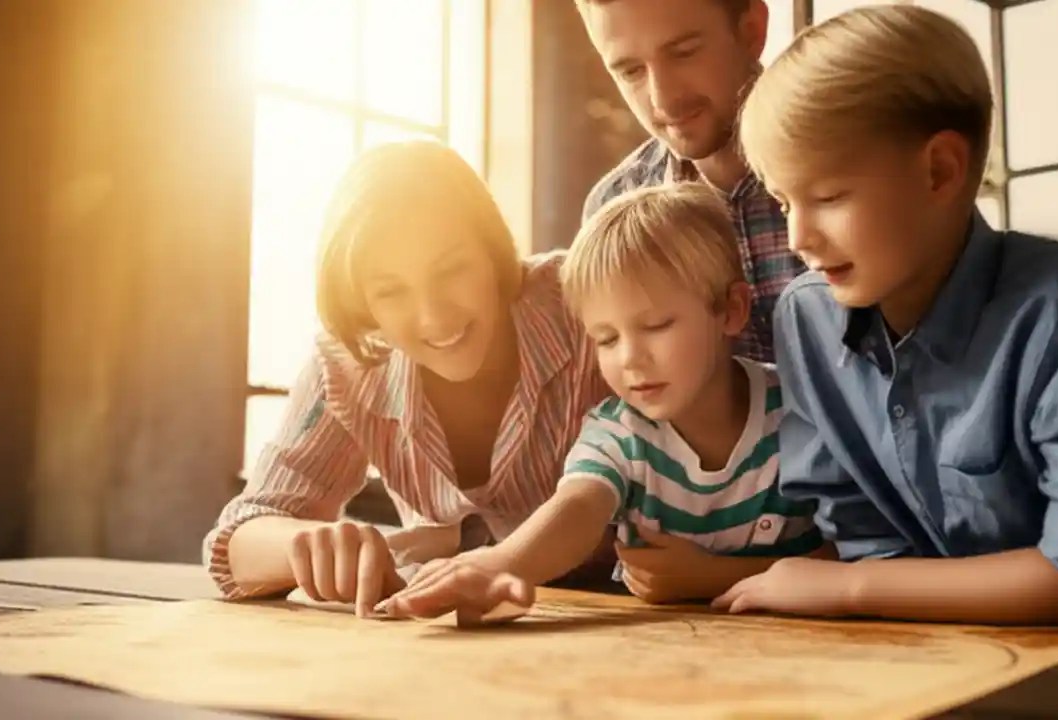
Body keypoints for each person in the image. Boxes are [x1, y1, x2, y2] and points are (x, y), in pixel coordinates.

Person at [713, 5, 1058, 629]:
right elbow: (859, 528)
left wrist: (854, 588)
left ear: (940, 170)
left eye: (828, 197)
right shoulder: (807, 319)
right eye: (785, 200)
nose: (799, 238)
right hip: (948, 649)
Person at [382, 184, 826, 623]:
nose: (630, 358)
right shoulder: (618, 434)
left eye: (655, 325)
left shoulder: (804, 409)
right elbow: (578, 507)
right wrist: (500, 565)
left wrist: (713, 577)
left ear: (731, 310)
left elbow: (855, 550)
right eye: (606, 339)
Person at [204, 141, 609, 616]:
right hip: (445, 641)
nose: (434, 318)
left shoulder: (587, 301)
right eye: (390, 291)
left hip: (641, 625)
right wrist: (310, 543)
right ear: (362, 300)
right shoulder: (351, 363)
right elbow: (235, 543)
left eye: (452, 270)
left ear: (491, 250)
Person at [577, 0, 804, 363]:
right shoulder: (614, 208)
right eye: (631, 71)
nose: (663, 98)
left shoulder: (853, 163)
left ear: (751, 31)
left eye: (684, 53)